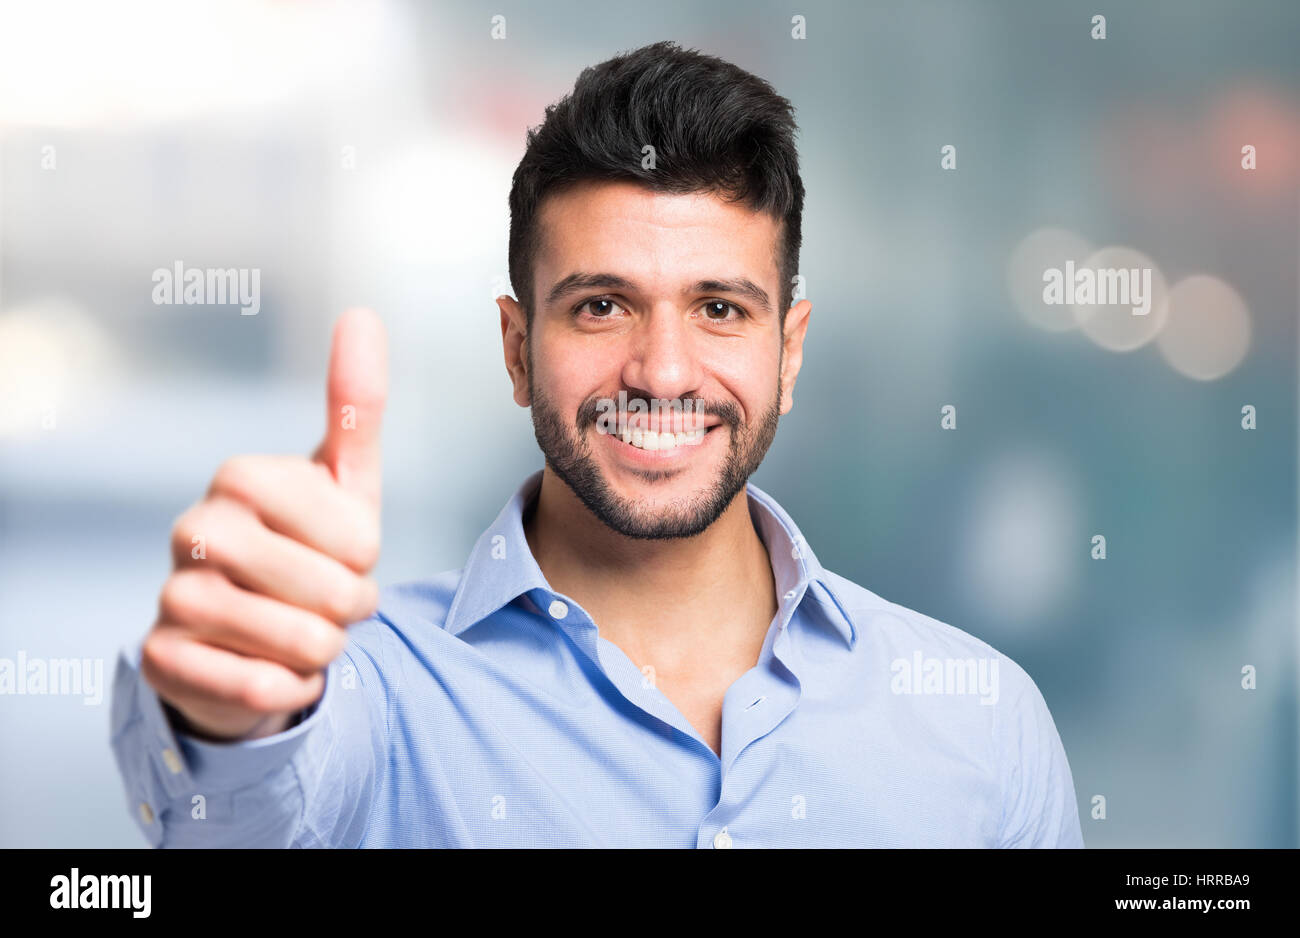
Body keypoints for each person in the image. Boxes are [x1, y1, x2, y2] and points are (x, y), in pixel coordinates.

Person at [110, 41, 1084, 847]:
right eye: (602, 305)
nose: (661, 372)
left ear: (787, 353)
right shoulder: (368, 689)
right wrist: (234, 716)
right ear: (517, 347)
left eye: (717, 308)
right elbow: (236, 821)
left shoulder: (983, 723)